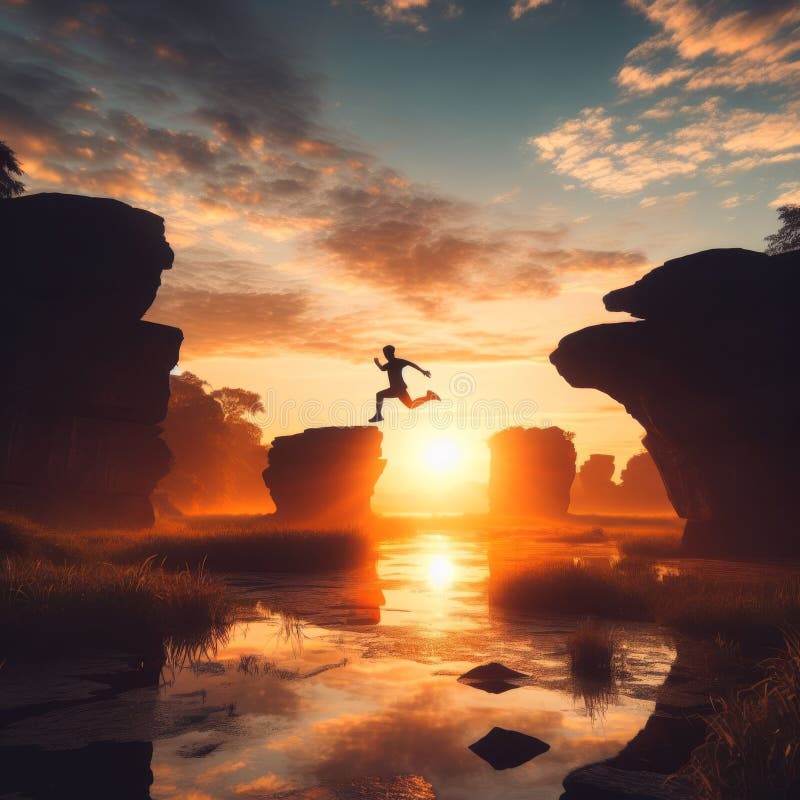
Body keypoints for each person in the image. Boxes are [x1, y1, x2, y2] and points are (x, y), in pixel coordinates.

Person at [369, 345, 441, 423]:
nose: (385, 356)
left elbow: (411, 364)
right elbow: (382, 369)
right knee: (411, 405)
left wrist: (423, 371)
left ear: (391, 353)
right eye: (385, 354)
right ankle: (428, 397)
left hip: (397, 389)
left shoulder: (397, 362)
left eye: (386, 354)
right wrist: (377, 363)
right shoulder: (390, 364)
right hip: (399, 389)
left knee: (379, 395)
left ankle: (378, 415)